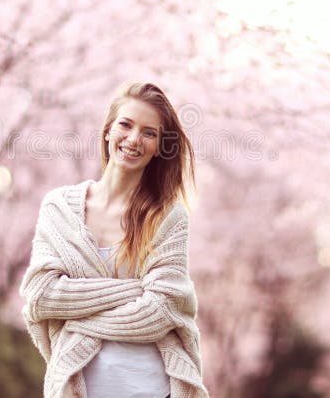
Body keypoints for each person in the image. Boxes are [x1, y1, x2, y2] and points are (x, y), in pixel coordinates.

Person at [20, 81, 209, 398]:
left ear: (159, 146)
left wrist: (77, 318)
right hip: (78, 388)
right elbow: (41, 296)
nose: (134, 139)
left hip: (150, 388)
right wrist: (136, 289)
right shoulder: (59, 208)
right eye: (126, 124)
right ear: (108, 130)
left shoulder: (167, 217)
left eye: (149, 133)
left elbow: (160, 310)